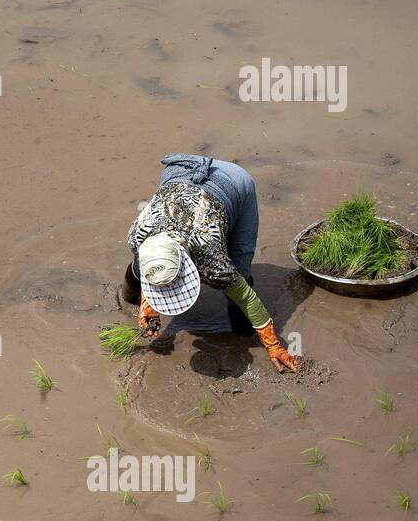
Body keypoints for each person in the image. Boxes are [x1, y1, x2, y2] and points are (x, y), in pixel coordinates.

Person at [123, 153, 299, 373]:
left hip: (233, 183)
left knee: (240, 270)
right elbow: (153, 265)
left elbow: (247, 298)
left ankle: (241, 327)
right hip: (180, 172)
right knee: (141, 269)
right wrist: (148, 306)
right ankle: (128, 295)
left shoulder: (208, 253)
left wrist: (274, 345)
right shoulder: (138, 237)